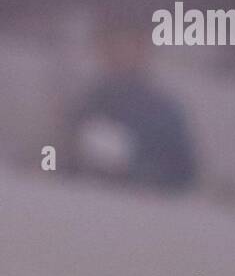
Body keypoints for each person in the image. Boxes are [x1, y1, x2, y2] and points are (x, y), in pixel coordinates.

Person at [63, 20, 198, 191]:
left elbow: (184, 174)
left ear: (143, 52)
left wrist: (132, 172)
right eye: (112, 47)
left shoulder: (163, 111)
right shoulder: (87, 103)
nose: (119, 55)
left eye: (127, 47)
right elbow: (65, 160)